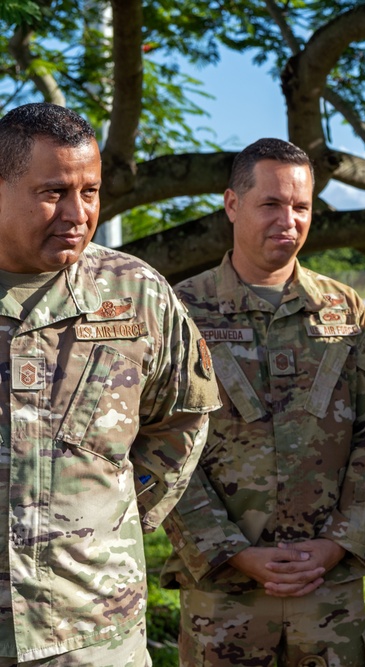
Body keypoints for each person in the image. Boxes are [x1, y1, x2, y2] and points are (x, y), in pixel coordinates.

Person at [161, 138, 365, 667]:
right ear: (232, 204)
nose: (288, 220)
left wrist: (339, 542)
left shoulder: (344, 310)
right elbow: (160, 442)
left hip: (326, 587)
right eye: (270, 203)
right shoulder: (181, 311)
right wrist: (230, 550)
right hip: (224, 591)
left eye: (301, 206)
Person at [0, 103, 219, 665]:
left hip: (94, 631)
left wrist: (111, 516)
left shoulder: (136, 293)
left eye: (90, 191)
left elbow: (183, 415)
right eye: (53, 192)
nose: (77, 213)